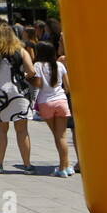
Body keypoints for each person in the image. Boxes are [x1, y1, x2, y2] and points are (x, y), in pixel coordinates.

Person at [0, 23, 38, 173]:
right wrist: (24, 77)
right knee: (22, 130)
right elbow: (32, 71)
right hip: (19, 93)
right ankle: (27, 165)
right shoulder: (22, 51)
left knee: (1, 130)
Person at [33, 42, 75, 177]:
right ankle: (66, 166)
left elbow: (38, 84)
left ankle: (63, 167)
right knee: (62, 136)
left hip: (46, 102)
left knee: (57, 136)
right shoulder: (60, 65)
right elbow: (68, 87)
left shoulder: (38, 66)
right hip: (61, 101)